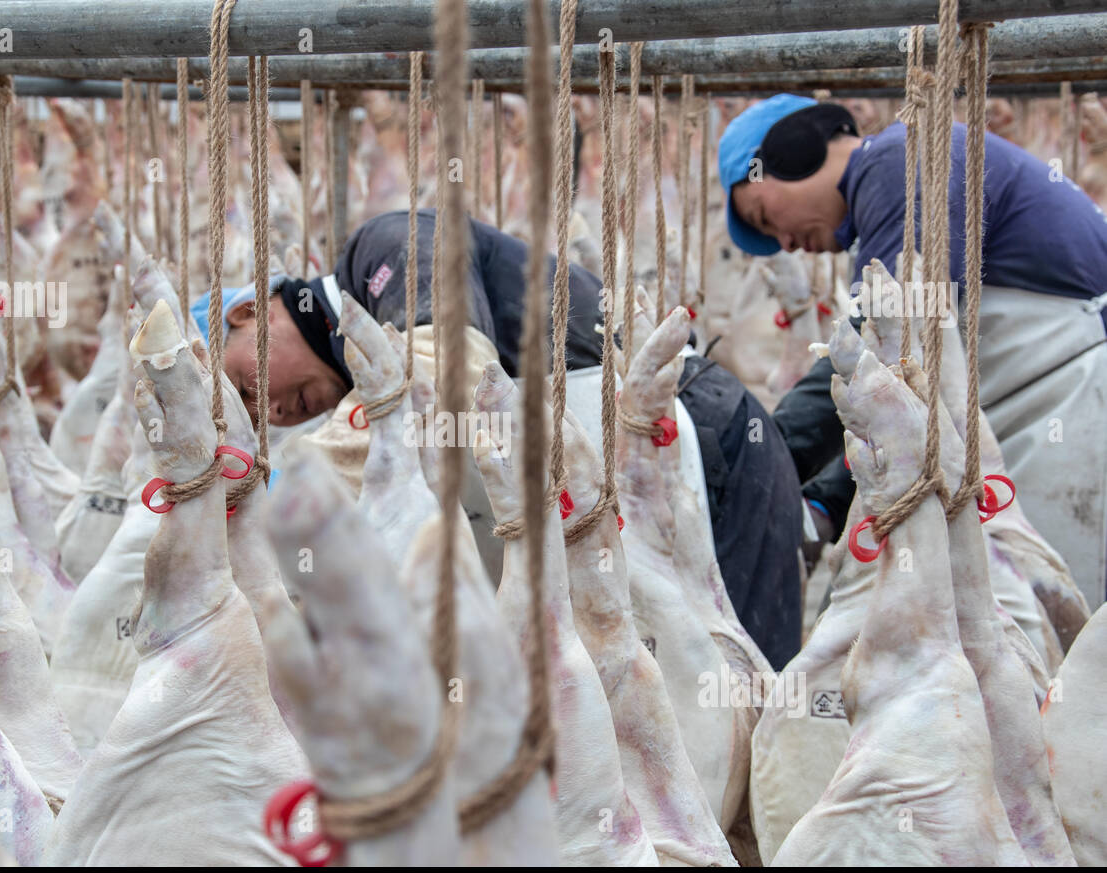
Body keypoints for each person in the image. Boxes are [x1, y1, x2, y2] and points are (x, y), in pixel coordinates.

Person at [191, 209, 803, 668]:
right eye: (258, 416)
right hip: (626, 492)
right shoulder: (375, 399)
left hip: (701, 444)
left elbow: (446, 363)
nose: (271, 409)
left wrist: (287, 503)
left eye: (244, 383)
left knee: (732, 707)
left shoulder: (380, 246)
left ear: (249, 314)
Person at [719, 94, 1107, 603]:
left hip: (1073, 404)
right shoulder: (888, 181)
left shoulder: (899, 163)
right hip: (1032, 408)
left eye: (766, 218)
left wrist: (770, 460)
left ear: (793, 154)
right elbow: (895, 373)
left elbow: (883, 358)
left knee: (1058, 637)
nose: (785, 244)